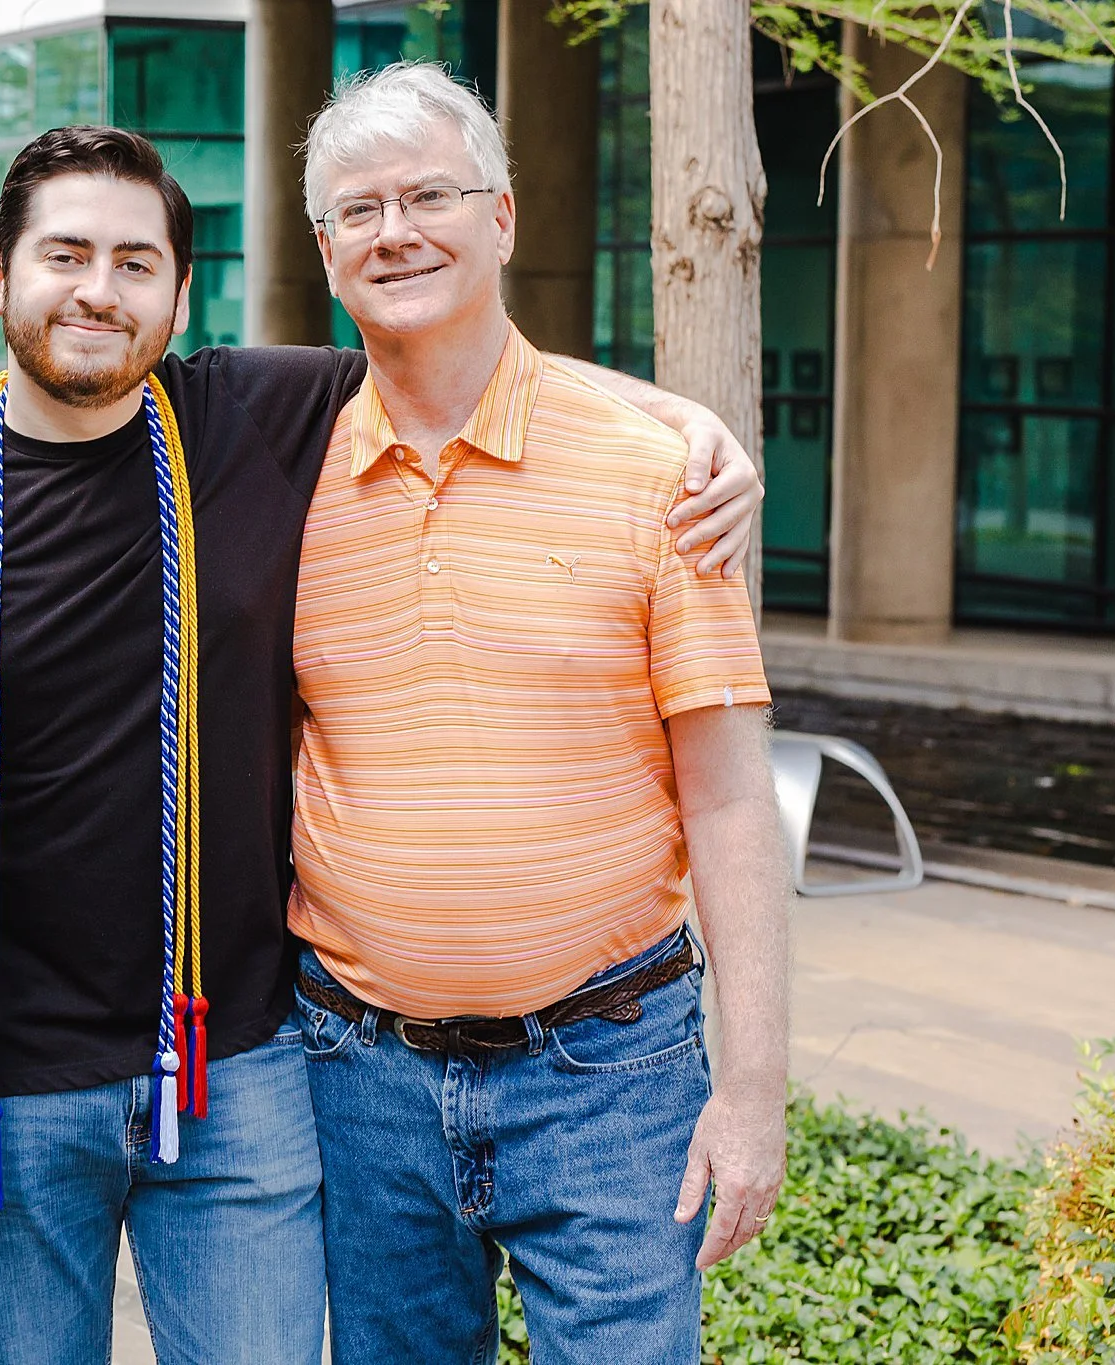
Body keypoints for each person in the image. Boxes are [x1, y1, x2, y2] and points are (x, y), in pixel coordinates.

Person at [0, 126, 765, 1365]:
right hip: (6, 1089)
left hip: (242, 1075)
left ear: (179, 290)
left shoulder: (254, 415)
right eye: (64, 254)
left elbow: (461, 361)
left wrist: (687, 425)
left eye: (135, 261)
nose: (97, 289)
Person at [286, 64, 790, 1365]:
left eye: (429, 195)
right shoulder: (277, 478)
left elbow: (731, 794)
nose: (395, 229)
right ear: (326, 249)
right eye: (359, 209)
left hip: (610, 1071)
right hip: (357, 1072)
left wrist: (754, 1086)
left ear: (502, 217)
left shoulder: (656, 474)